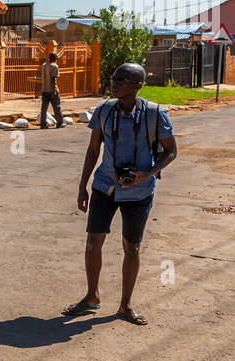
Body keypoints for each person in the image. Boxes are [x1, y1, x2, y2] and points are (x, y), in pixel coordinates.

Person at [65, 63, 177, 326]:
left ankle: (125, 305)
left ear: (138, 85)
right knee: (93, 243)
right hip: (105, 186)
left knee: (131, 247)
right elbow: (93, 150)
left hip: (139, 191)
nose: (114, 83)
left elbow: (171, 151)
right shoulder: (105, 111)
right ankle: (92, 296)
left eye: (122, 79)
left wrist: (147, 173)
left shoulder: (154, 114)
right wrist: (83, 185)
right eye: (113, 78)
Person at [40, 52, 64, 129]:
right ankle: (60, 123)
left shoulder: (44, 65)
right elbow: (53, 79)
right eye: (56, 57)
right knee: (57, 107)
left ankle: (43, 124)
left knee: (44, 108)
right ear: (54, 58)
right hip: (52, 90)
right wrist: (54, 91)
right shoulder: (54, 66)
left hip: (44, 89)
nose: (56, 59)